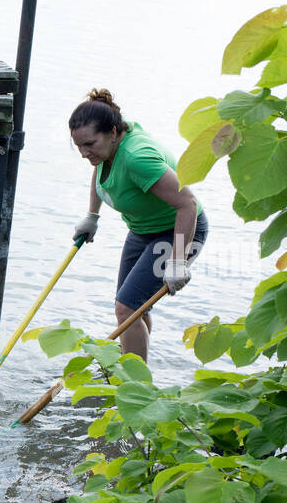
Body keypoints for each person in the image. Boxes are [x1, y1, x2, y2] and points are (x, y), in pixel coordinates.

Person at [69, 89, 209, 361]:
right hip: (143, 231)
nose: (85, 153)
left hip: (178, 230)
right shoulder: (108, 149)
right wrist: (92, 217)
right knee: (133, 309)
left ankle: (134, 389)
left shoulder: (137, 157)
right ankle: (131, 369)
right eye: (79, 146)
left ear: (112, 132)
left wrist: (178, 260)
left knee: (126, 308)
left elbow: (188, 204)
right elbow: (100, 171)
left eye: (89, 144)